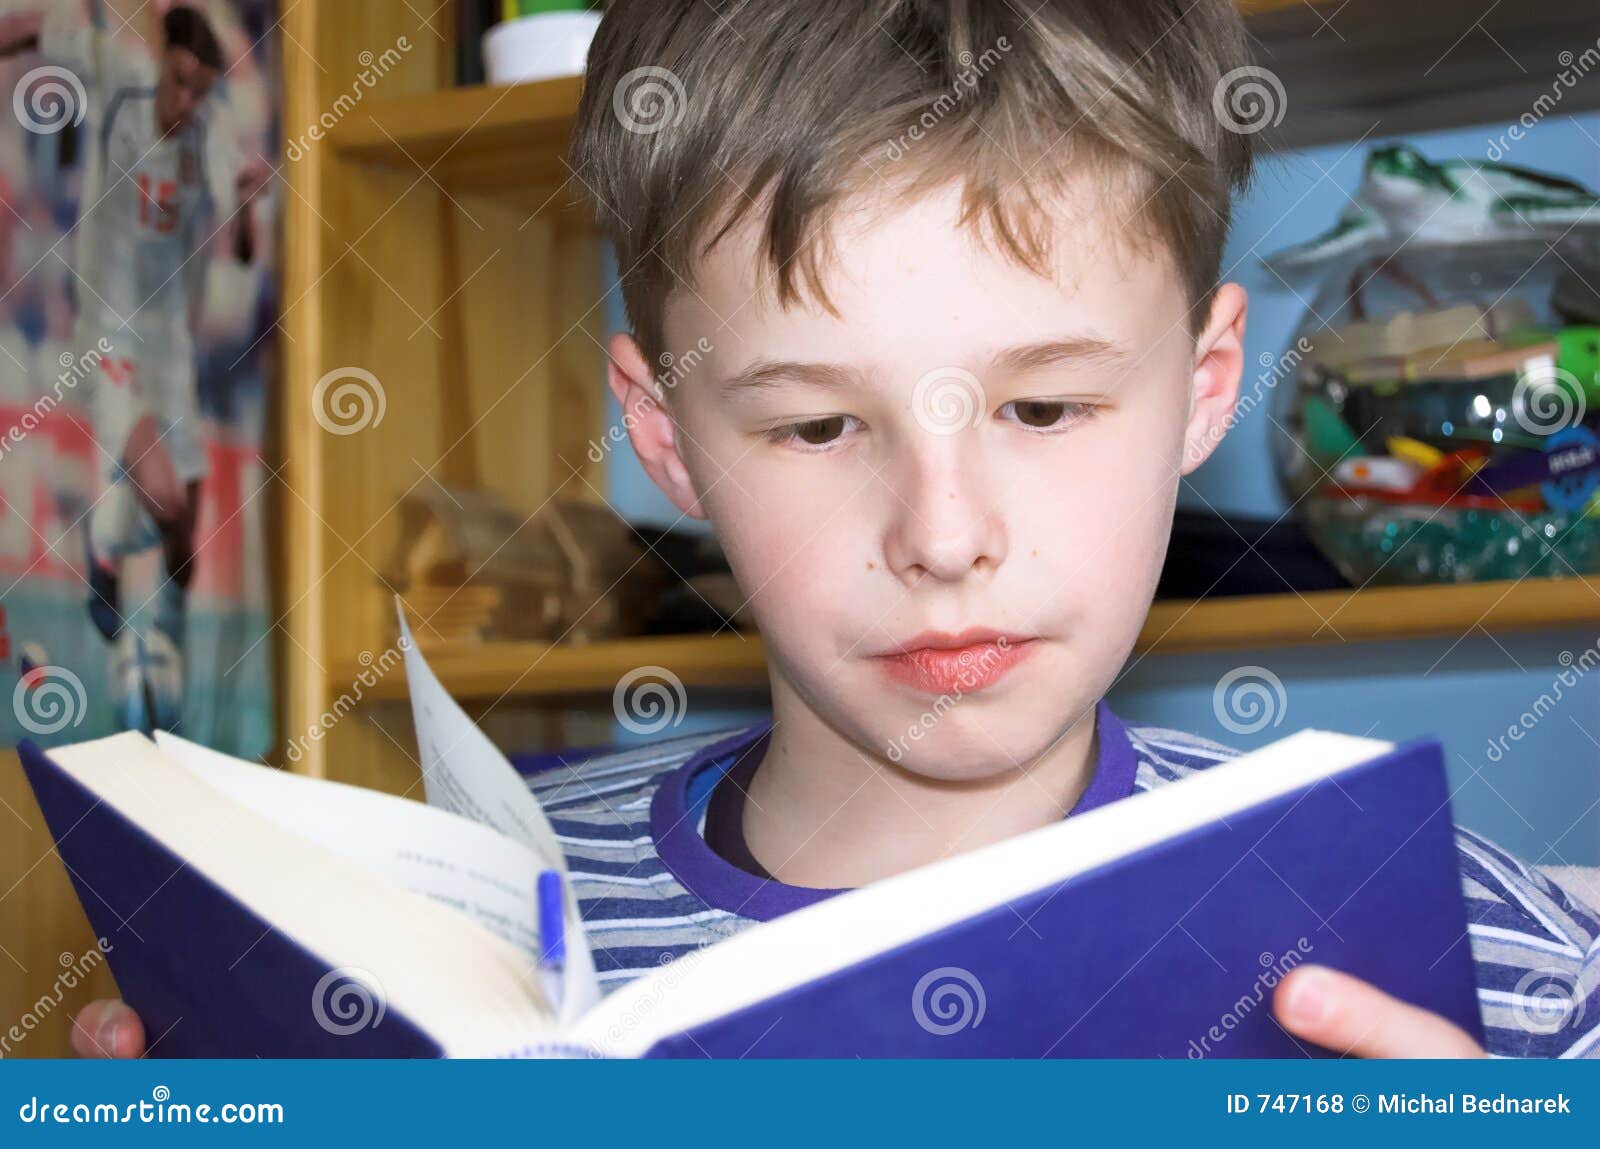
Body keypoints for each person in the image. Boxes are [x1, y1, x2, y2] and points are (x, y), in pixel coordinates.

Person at [73, 0, 1597, 1058]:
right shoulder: (439, 932)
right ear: (665, 434)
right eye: (816, 427)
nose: (944, 535)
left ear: (1203, 390)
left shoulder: (1474, 959)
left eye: (1044, 407)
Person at [0, 1, 267, 730]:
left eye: (199, 91)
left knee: (185, 536)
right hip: (109, 333)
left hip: (170, 344)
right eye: (178, 82)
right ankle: (105, 555)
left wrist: (248, 205)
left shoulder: (209, 134)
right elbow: (32, 27)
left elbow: (244, 251)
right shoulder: (118, 71)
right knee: (165, 495)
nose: (185, 103)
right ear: (161, 63)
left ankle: (165, 634)